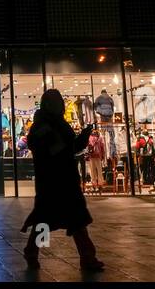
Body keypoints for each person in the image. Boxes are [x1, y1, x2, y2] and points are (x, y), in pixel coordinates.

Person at [21, 88, 103, 271]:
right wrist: (72, 144)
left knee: (73, 219)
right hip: (53, 180)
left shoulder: (56, 123)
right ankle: (33, 252)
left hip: (63, 179)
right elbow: (55, 150)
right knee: (51, 220)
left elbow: (67, 148)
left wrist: (81, 140)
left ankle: (85, 257)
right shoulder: (42, 126)